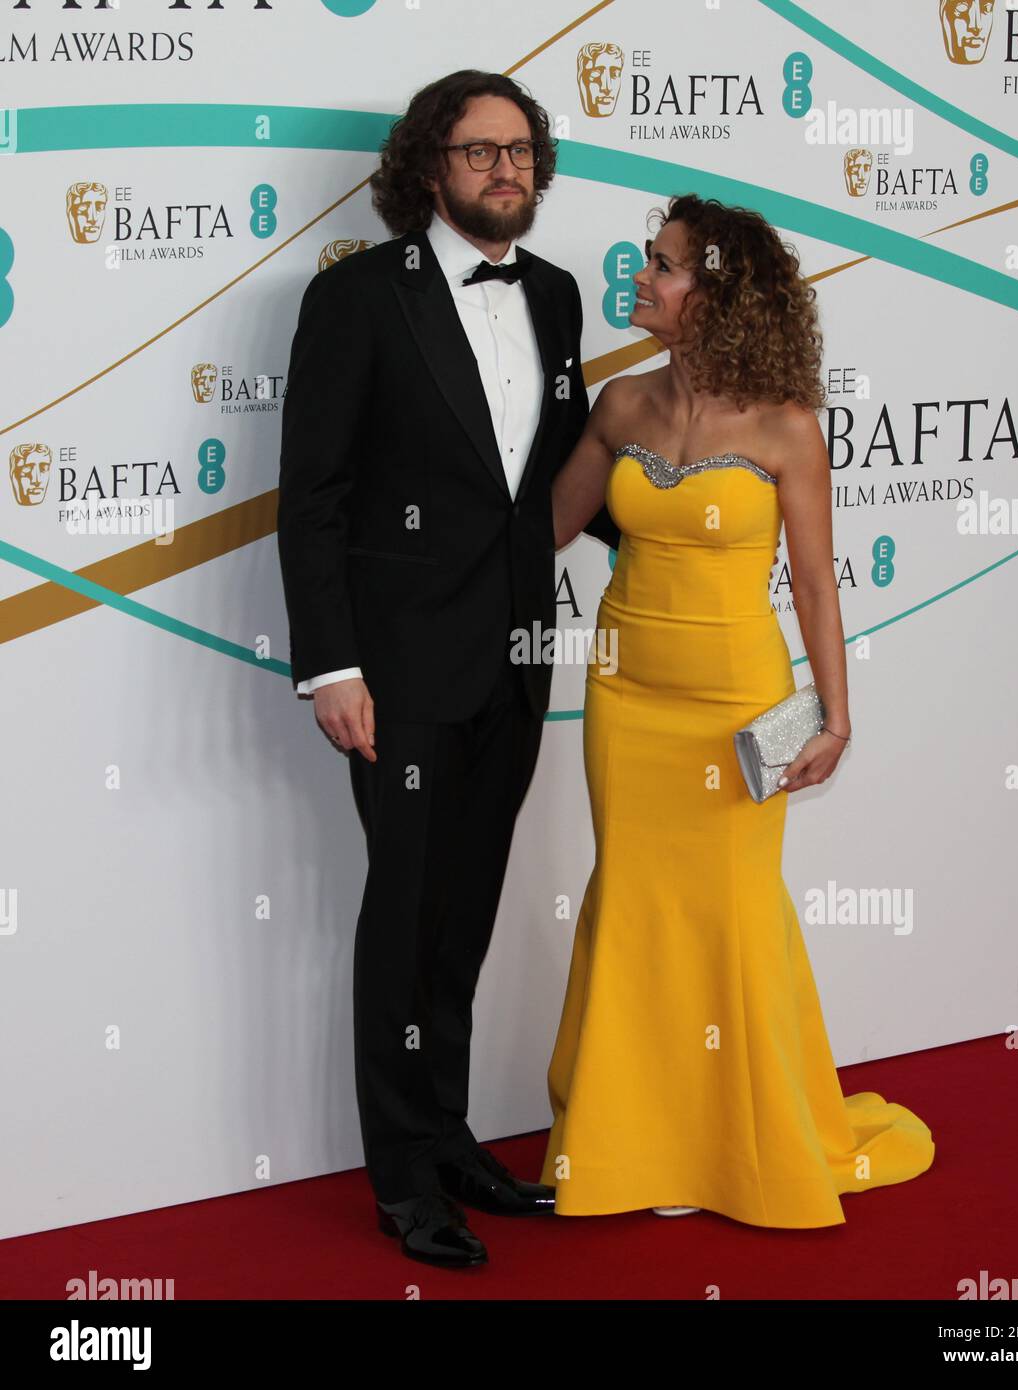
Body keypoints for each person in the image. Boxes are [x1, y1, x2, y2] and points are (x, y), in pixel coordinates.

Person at [276, 69, 618, 1269]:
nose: (507, 171)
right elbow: (311, 499)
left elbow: (564, 476)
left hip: (520, 655)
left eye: (522, 151)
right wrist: (332, 667)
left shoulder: (562, 297)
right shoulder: (361, 300)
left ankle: (455, 1134)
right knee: (404, 916)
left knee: (464, 913)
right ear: (429, 167)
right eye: (481, 153)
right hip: (401, 670)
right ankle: (405, 1175)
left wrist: (697, 485)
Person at [544, 194, 935, 1226]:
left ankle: (725, 1145)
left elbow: (814, 585)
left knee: (727, 914)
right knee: (634, 902)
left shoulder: (785, 426)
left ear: (716, 294)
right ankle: (639, 1144)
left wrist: (834, 720)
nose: (643, 278)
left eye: (664, 265)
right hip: (626, 697)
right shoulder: (622, 404)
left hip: (740, 706)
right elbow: (543, 528)